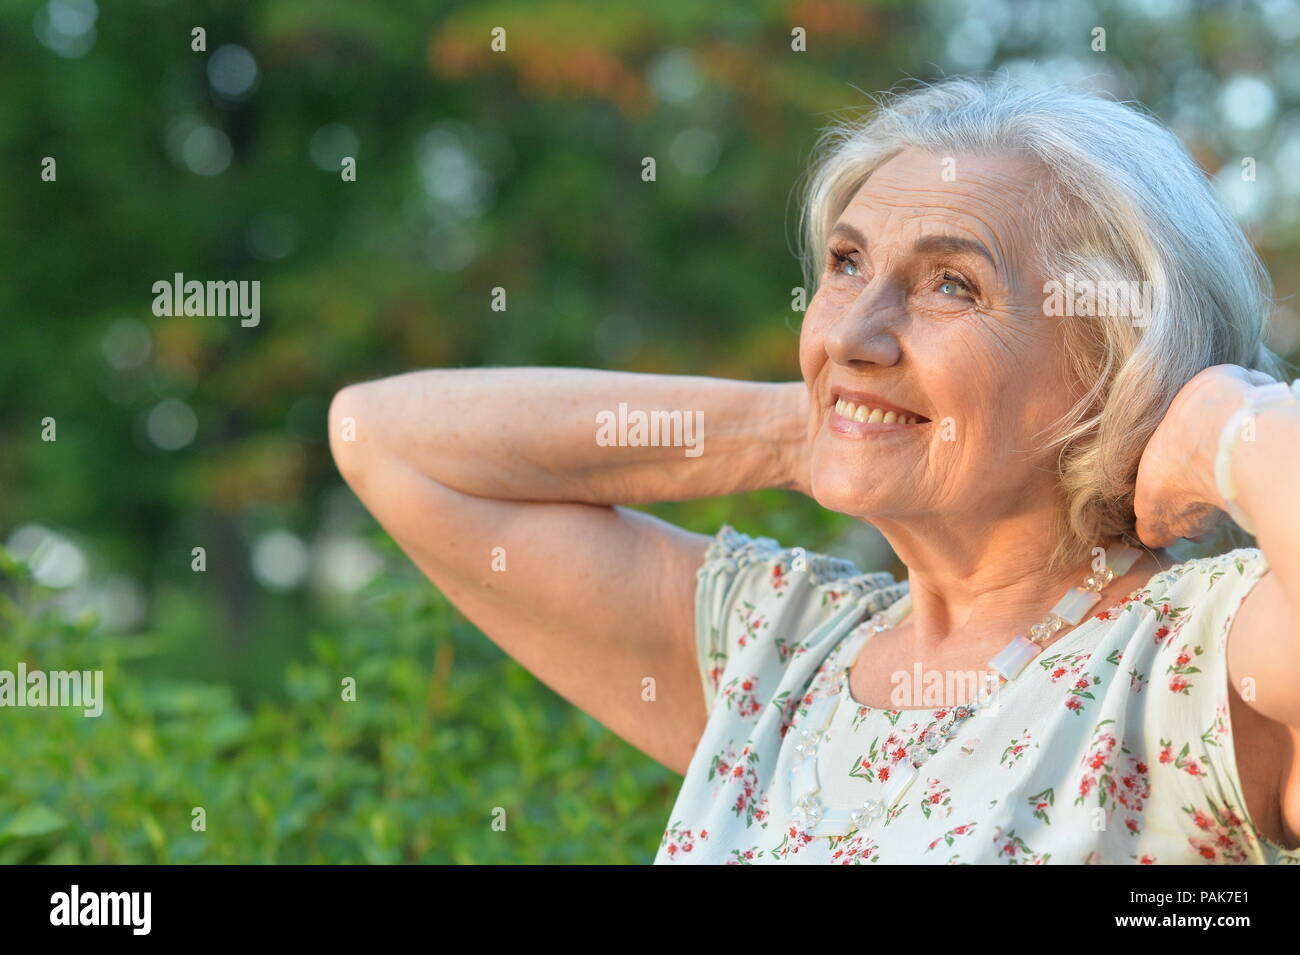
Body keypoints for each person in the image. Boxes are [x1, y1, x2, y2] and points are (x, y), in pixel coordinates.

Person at [329, 78, 1300, 864]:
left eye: (951, 283)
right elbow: (386, 435)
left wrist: (1234, 418)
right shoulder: (780, 649)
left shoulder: (1194, 661)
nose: (850, 332)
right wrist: (806, 429)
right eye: (843, 266)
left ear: (1114, 354)